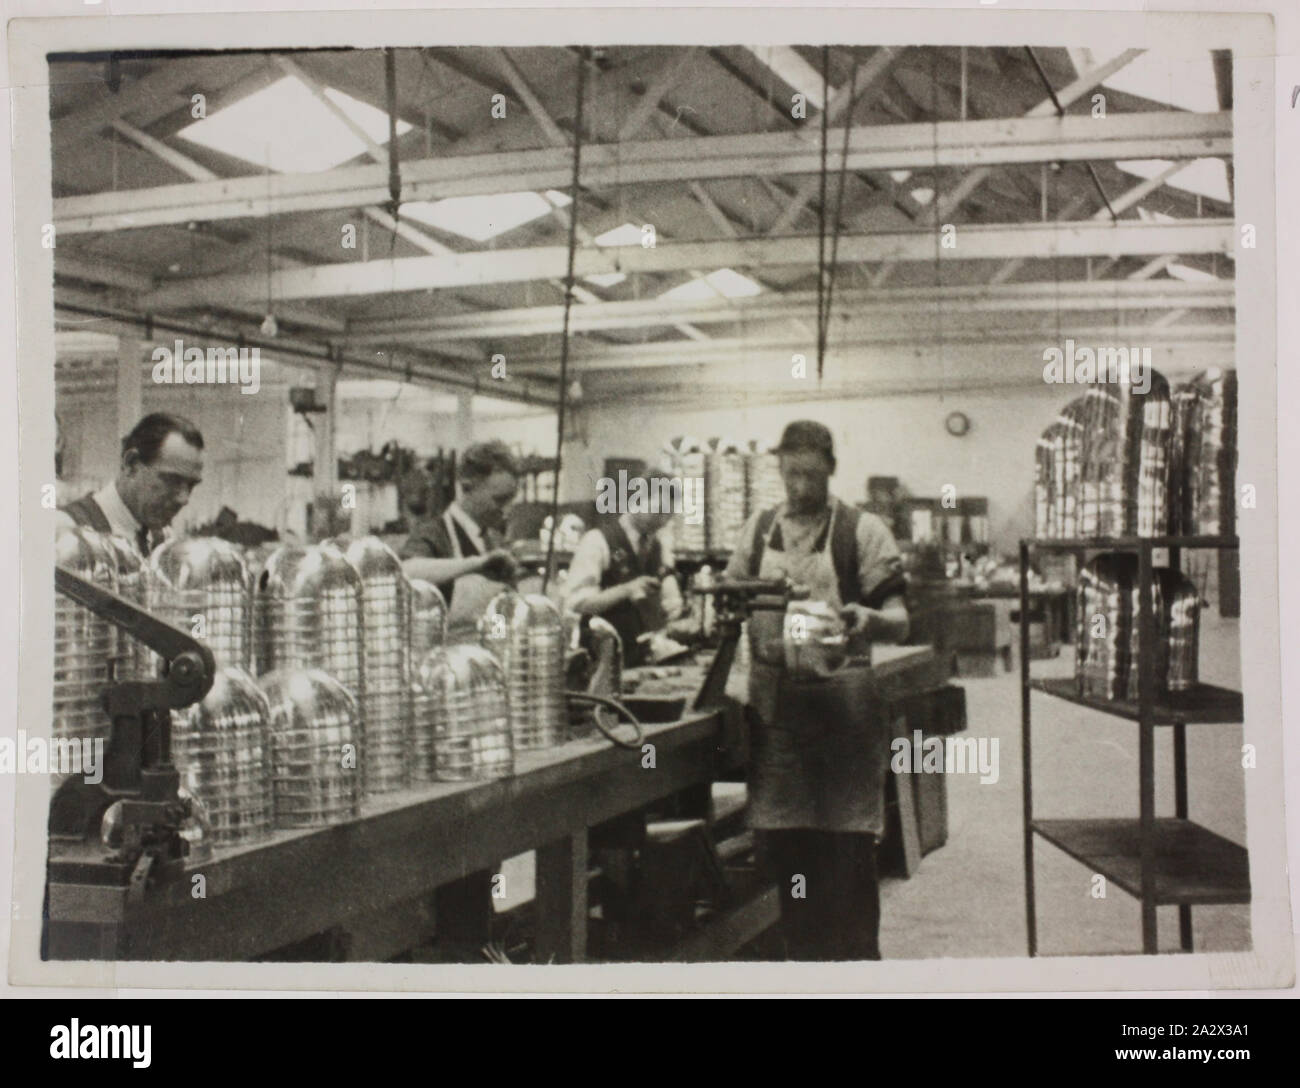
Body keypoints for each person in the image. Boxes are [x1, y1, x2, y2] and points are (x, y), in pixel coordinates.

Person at [724, 420, 909, 961]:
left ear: (831, 467)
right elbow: (732, 594)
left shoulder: (861, 531)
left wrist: (869, 619)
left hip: (843, 719)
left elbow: (901, 620)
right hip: (778, 719)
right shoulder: (758, 530)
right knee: (790, 864)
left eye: (809, 473)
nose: (799, 485)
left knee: (846, 863)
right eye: (789, 474)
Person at [399, 440, 521, 617]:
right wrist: (476, 564)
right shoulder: (434, 533)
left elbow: (500, 613)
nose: (506, 511)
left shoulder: (494, 540)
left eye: (510, 501)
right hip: (450, 643)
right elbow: (406, 572)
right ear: (468, 486)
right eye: (499, 500)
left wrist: (501, 637)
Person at [57, 412, 205, 556]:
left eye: (191, 485)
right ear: (131, 464)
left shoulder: (163, 537)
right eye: (172, 480)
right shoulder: (65, 528)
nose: (184, 499)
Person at [564, 507, 684, 667]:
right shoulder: (597, 541)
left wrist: (670, 604)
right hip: (602, 662)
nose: (662, 522)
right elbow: (578, 604)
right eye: (659, 511)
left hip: (641, 661)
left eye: (668, 516)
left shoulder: (655, 545)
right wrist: (627, 590)